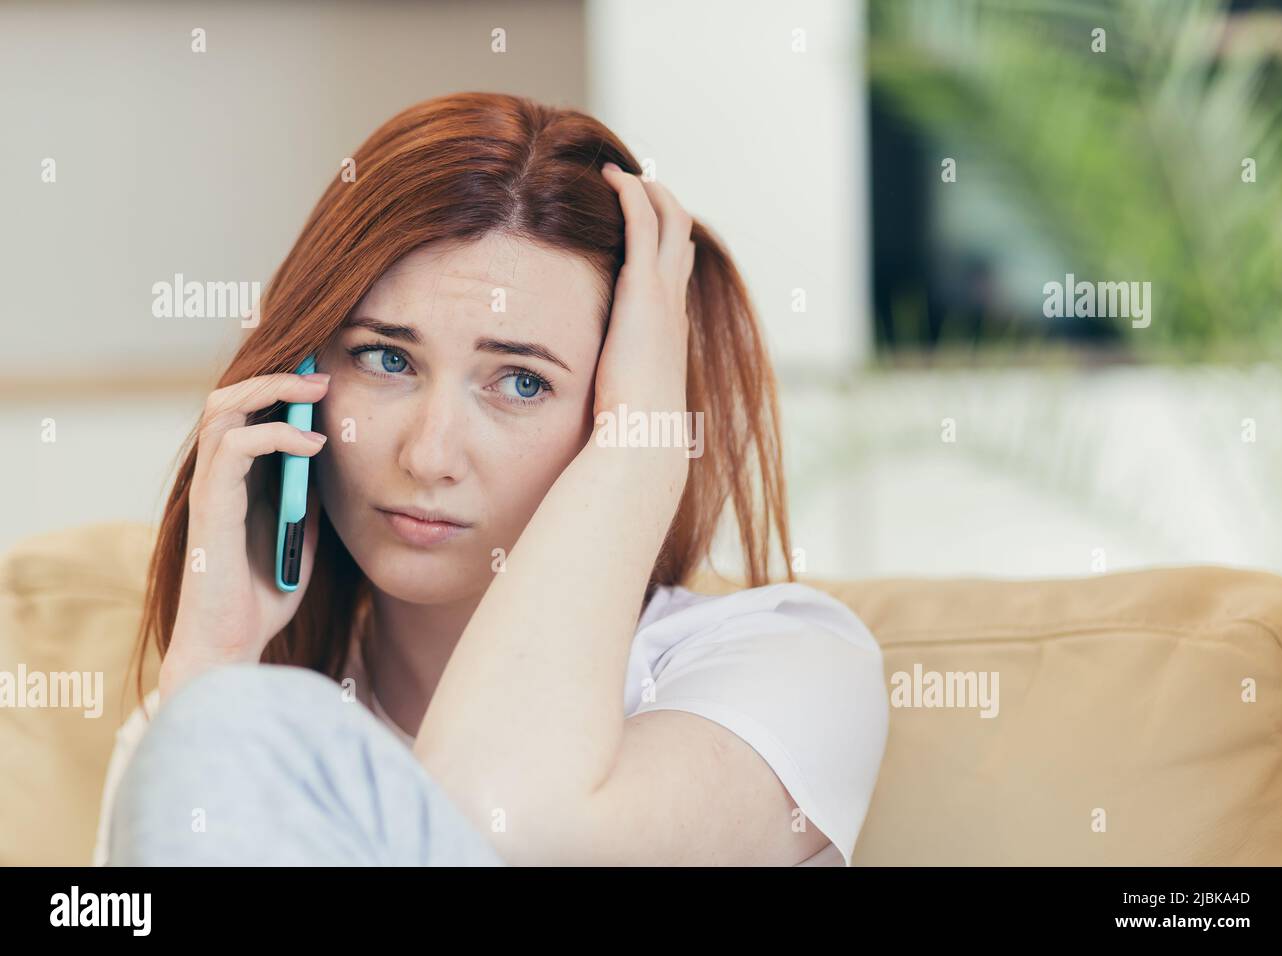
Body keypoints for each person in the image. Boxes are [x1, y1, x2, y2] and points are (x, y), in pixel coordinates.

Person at [97, 91, 889, 867]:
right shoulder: (203, 712)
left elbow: (499, 823)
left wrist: (640, 453)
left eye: (520, 382)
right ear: (303, 377)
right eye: (386, 359)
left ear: (623, 395)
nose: (430, 455)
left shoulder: (793, 665)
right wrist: (216, 670)